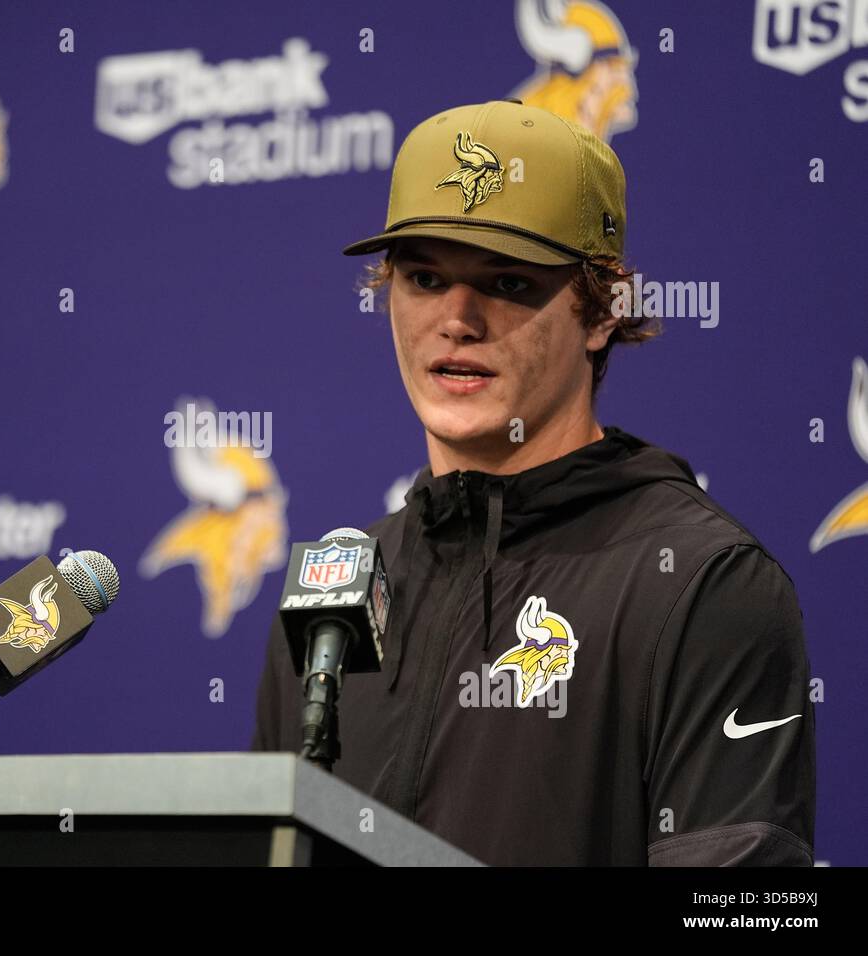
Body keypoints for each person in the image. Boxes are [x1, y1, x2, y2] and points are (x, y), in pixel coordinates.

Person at [250, 100, 815, 866]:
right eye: (422, 276)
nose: (457, 319)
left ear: (602, 310)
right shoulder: (336, 594)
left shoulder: (702, 584)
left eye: (509, 283)